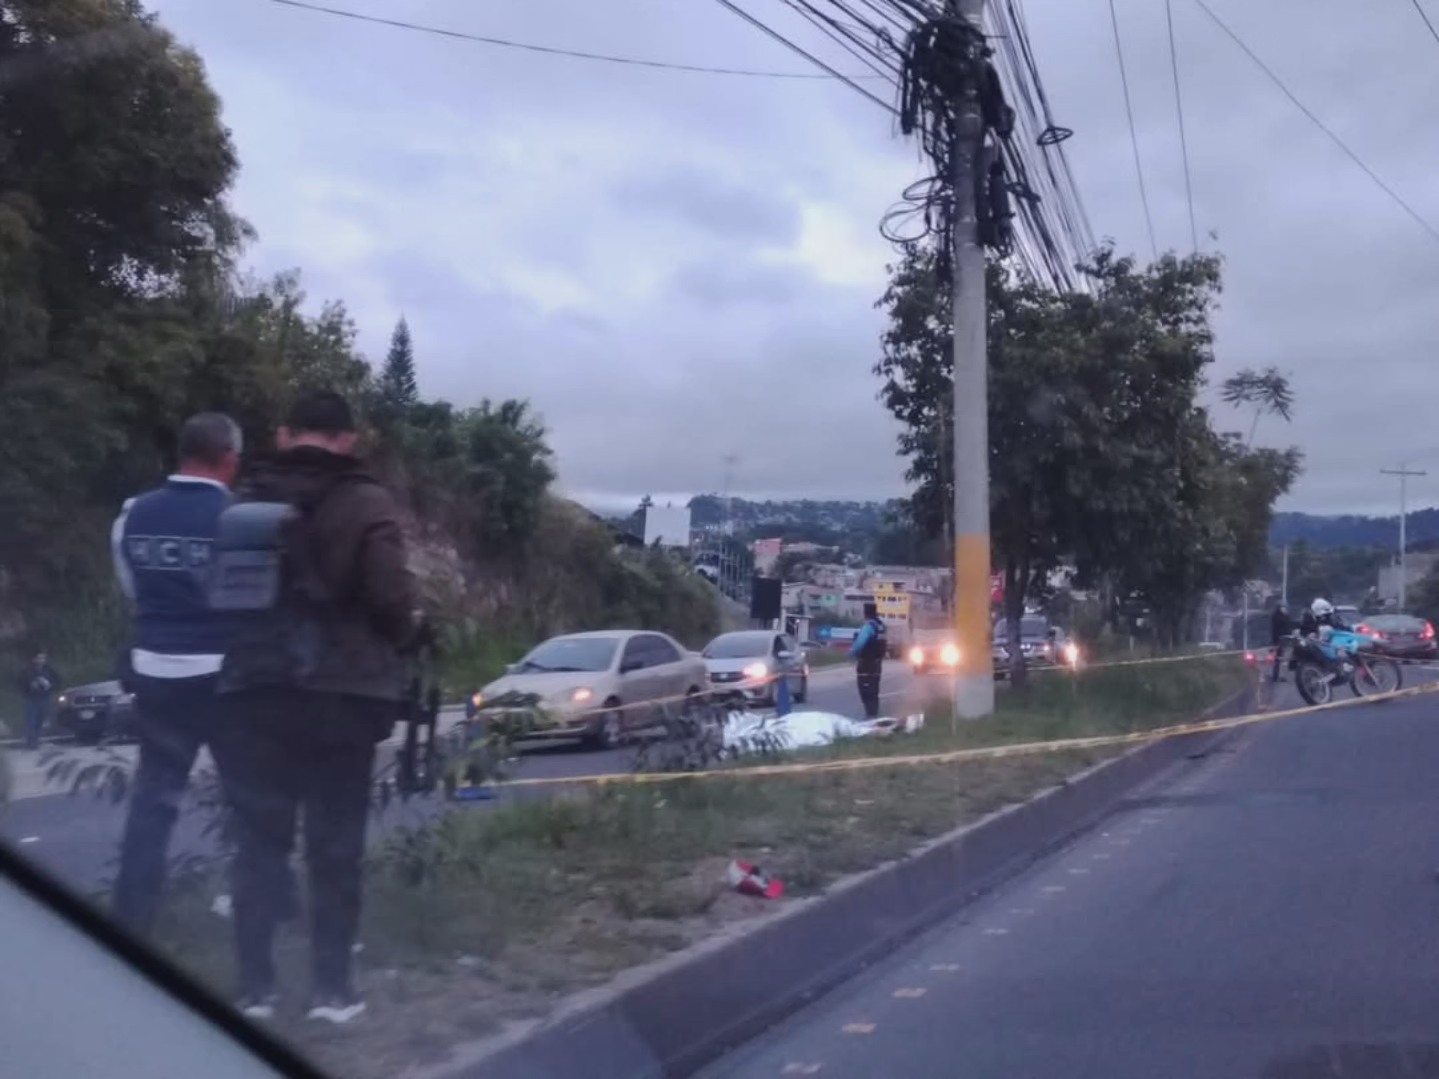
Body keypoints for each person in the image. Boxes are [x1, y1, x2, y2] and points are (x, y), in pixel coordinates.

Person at [218, 390, 417, 1024]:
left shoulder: (244, 501)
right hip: (341, 696)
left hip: (253, 695)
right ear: (349, 440)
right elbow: (390, 599)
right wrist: (408, 633)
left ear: (283, 434)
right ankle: (332, 992)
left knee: (257, 844)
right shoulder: (367, 502)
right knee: (334, 845)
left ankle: (254, 991)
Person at [109, 413, 242, 935]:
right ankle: (261, 904)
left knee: (153, 799)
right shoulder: (238, 519)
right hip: (222, 674)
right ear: (229, 460)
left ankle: (132, 918)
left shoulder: (131, 516)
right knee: (248, 797)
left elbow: (133, 590)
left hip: (156, 671)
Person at [848, 602, 888, 720]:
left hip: (867, 662)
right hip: (877, 662)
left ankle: (870, 715)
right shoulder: (881, 626)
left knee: (865, 688)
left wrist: (851, 654)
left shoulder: (869, 627)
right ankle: (874, 714)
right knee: (874, 689)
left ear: (866, 614)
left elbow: (860, 643)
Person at [16, 650, 60, 750]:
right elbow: (21, 682)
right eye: (39, 658)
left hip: (44, 698)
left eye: (43, 658)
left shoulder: (48, 670)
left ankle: (36, 739)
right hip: (30, 699)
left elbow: (57, 681)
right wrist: (31, 685)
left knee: (40, 720)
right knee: (31, 720)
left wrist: (49, 685)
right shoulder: (27, 670)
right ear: (34, 659)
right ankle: (30, 742)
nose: (42, 660)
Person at [1269, 602, 1293, 683]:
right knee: (1280, 658)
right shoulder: (1278, 617)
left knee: (1280, 658)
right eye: (1283, 608)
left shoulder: (1279, 616)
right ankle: (1278, 676)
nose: (1284, 609)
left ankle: (1278, 676)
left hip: (1282, 639)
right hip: (1280, 639)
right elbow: (1284, 625)